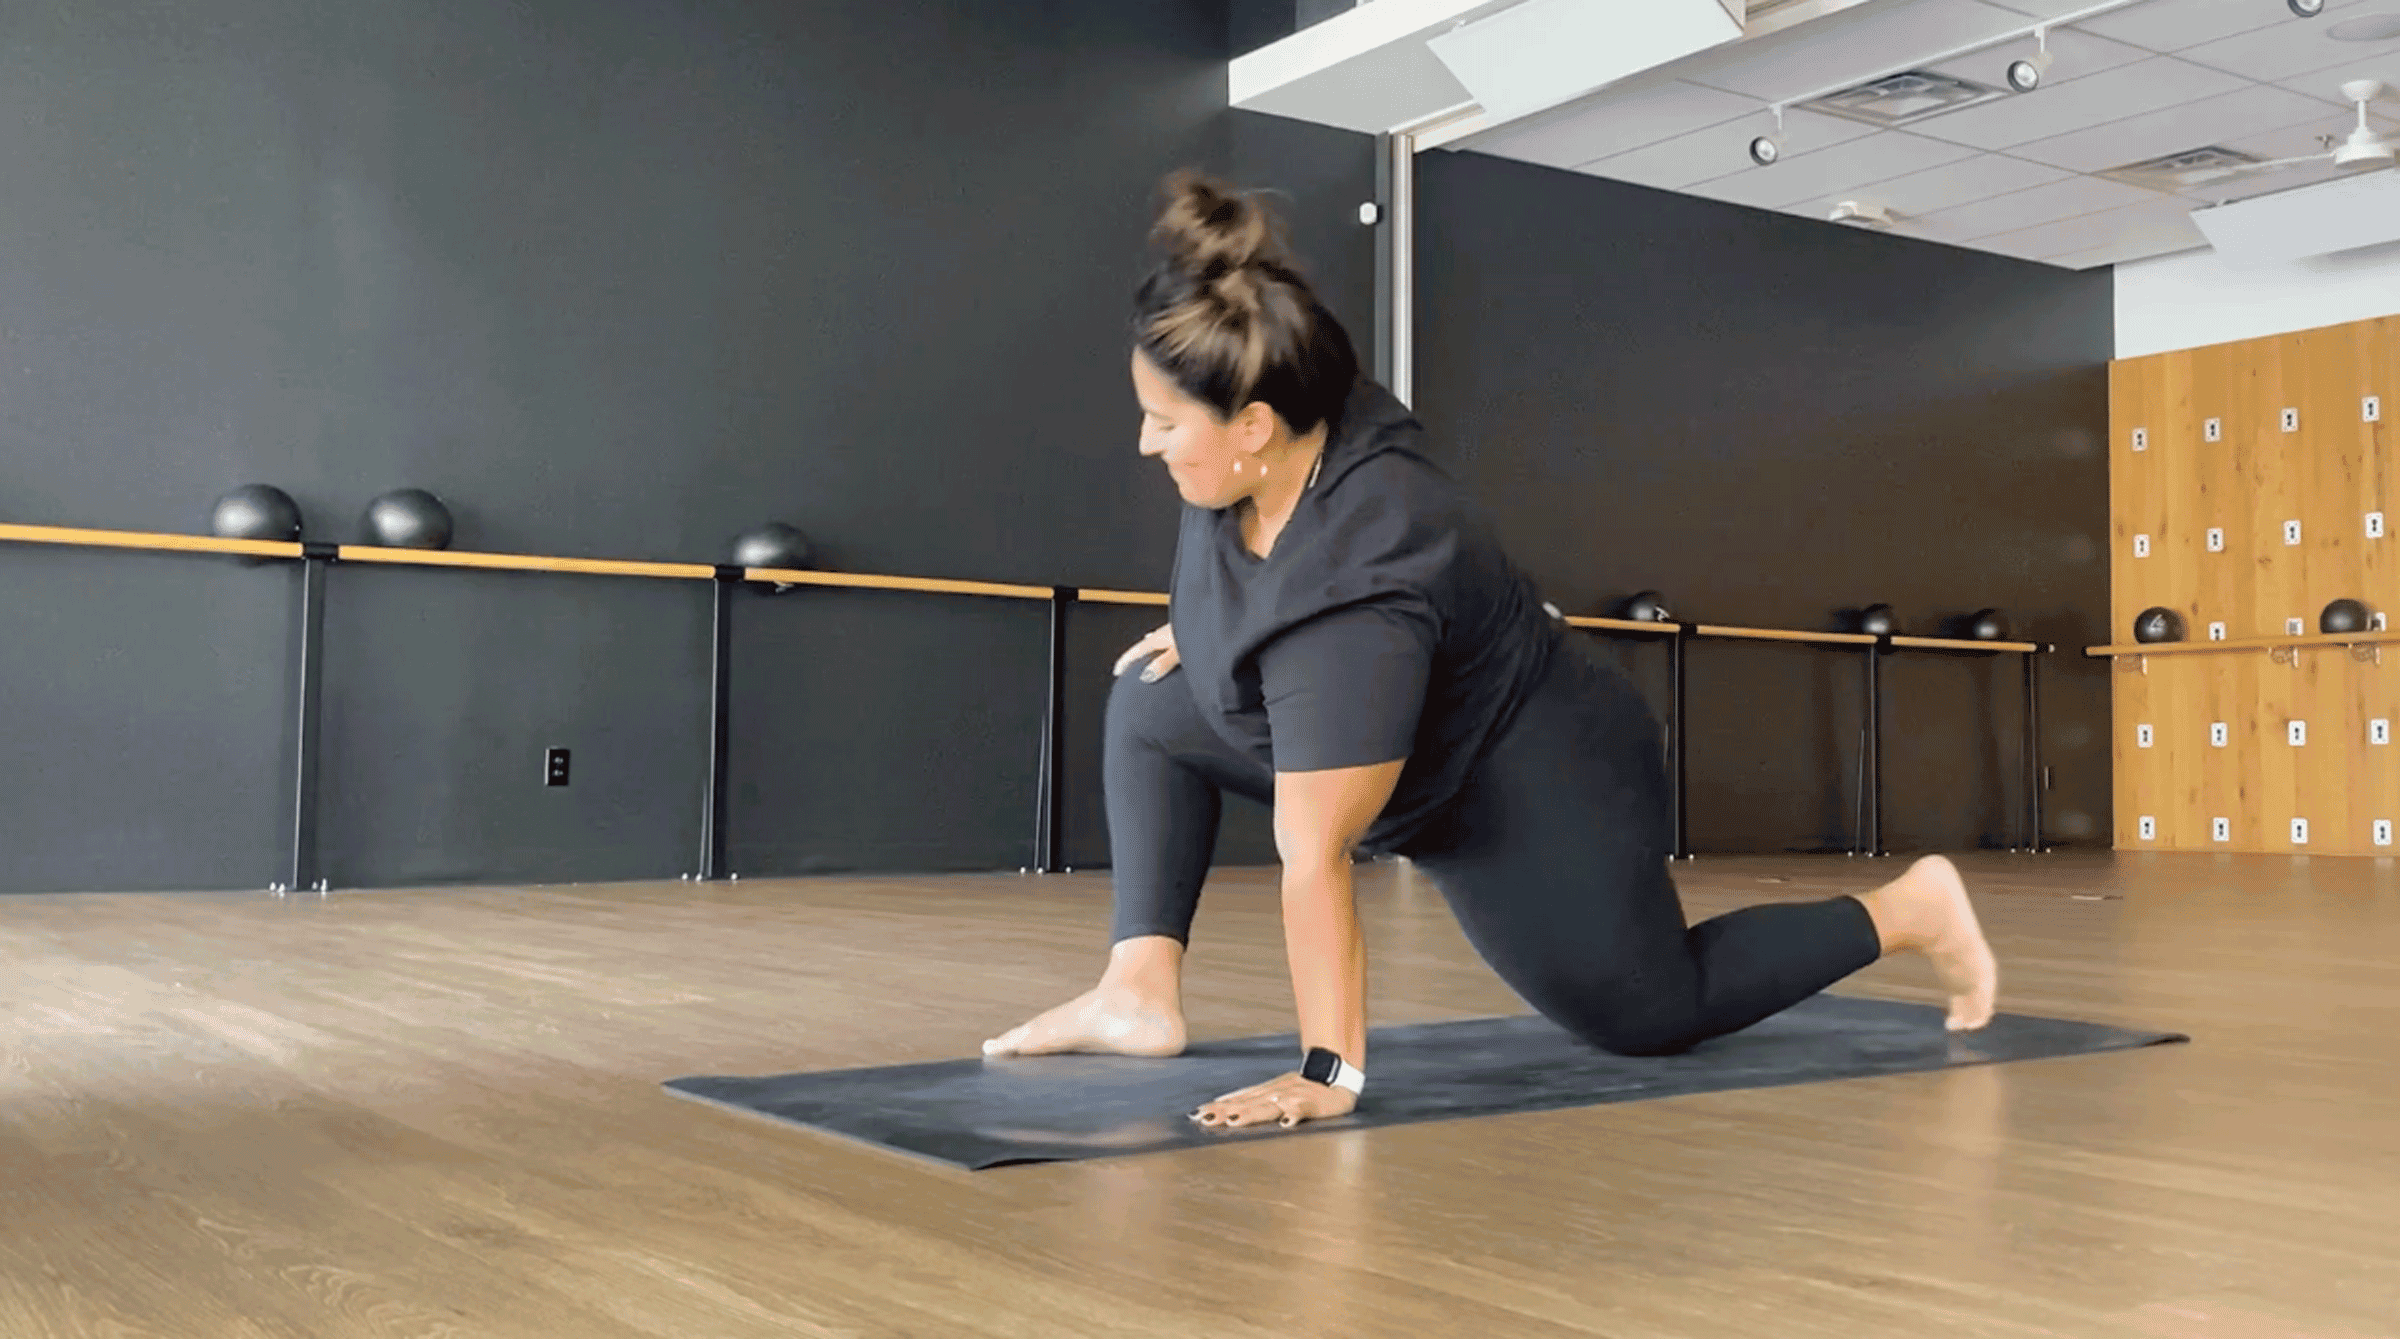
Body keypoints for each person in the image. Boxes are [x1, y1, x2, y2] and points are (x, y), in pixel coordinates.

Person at [982, 170, 1999, 1132]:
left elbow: (1315, 857)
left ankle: (1911, 909)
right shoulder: (1289, 396)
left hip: (1531, 773)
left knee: (1644, 1015)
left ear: (1253, 428)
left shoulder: (1358, 594)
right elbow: (1254, 559)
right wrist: (1209, 632)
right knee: (1155, 702)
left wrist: (1326, 1069)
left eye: (1164, 422)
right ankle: (1137, 992)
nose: (1147, 443)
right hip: (1408, 720)